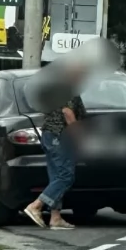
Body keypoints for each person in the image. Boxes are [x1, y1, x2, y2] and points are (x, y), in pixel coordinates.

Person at [23, 83, 87, 230]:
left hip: (49, 135)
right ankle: (36, 206)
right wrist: (79, 138)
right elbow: (67, 113)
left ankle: (55, 217)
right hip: (60, 136)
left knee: (56, 177)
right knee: (65, 177)